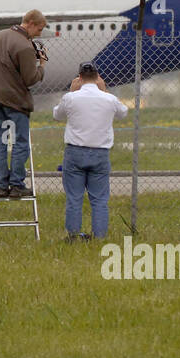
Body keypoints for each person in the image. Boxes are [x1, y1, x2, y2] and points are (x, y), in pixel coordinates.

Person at [53, 62, 128, 241]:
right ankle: (99, 237)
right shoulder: (108, 99)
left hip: (75, 153)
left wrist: (71, 91)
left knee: (74, 198)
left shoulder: (70, 98)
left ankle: (73, 236)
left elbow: (57, 115)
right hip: (100, 153)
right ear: (97, 77)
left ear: (79, 78)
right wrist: (105, 91)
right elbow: (123, 112)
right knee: (100, 199)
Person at [0, 10, 47, 198]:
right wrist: (41, 65)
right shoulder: (25, 46)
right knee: (20, 142)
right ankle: (17, 184)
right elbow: (30, 78)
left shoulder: (0, 35)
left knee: (0, 143)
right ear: (31, 23)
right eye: (39, 29)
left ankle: (1, 186)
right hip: (14, 102)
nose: (40, 33)